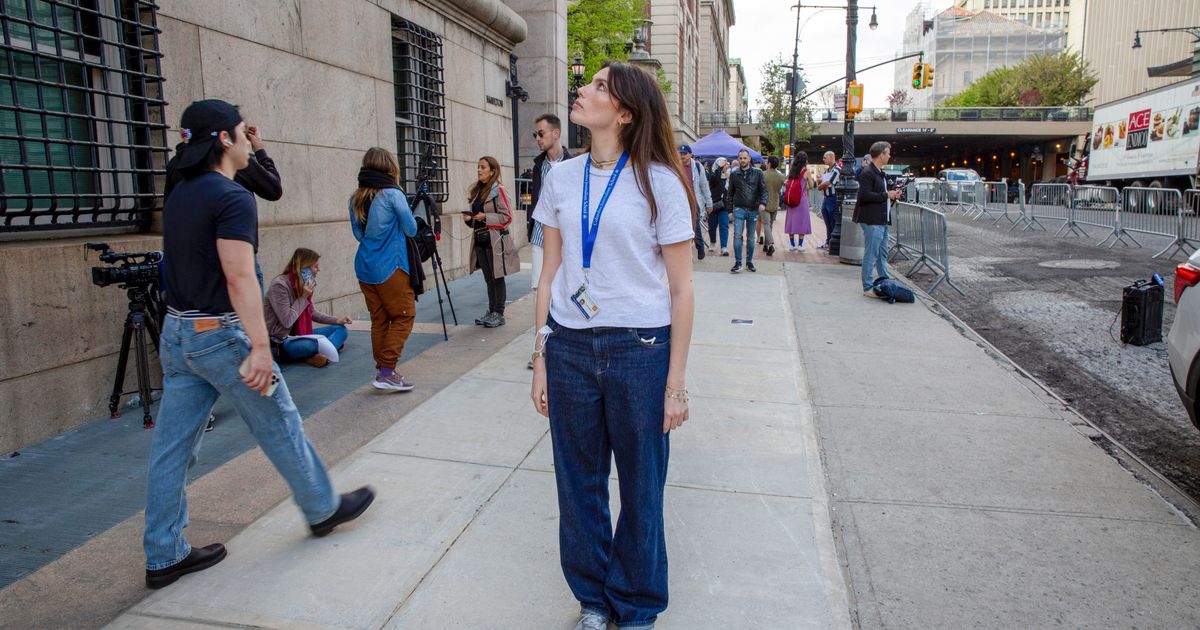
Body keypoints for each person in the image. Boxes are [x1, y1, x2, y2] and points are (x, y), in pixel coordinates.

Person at [145, 99, 374, 590]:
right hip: (220, 336)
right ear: (225, 140)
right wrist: (260, 347)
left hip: (178, 335)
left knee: (172, 449)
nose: (251, 140)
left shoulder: (181, 189)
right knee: (280, 423)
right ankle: (322, 508)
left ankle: (163, 553)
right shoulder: (230, 198)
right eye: (243, 134)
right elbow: (238, 275)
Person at [530, 61, 696, 630]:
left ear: (623, 112)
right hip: (570, 349)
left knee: (642, 486)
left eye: (598, 86)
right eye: (589, 82)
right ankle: (594, 600)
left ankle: (638, 604)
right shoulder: (561, 177)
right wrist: (540, 358)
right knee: (578, 484)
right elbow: (548, 274)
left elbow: (682, 289)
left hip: (641, 349)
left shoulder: (661, 182)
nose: (583, 89)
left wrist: (676, 384)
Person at [350, 147, 419, 392]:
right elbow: (411, 229)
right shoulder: (392, 194)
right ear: (390, 166)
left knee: (379, 319)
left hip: (365, 266)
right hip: (391, 265)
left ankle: (383, 370)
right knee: (404, 315)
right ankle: (387, 371)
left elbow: (358, 234)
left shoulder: (356, 197)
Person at [263, 248, 352, 368]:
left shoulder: (302, 284)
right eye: (315, 266)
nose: (318, 270)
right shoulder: (279, 285)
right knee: (311, 345)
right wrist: (303, 297)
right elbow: (287, 321)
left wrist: (337, 320)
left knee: (341, 330)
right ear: (304, 268)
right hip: (281, 341)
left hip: (301, 335)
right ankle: (316, 353)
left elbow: (312, 313)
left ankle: (313, 356)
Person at [464, 155, 520, 328]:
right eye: (478, 167)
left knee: (497, 278)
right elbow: (477, 220)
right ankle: (491, 310)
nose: (479, 170)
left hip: (495, 241)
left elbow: (507, 217)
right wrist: (469, 219)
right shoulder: (478, 191)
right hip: (480, 240)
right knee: (488, 278)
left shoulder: (499, 190)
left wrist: (485, 217)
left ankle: (499, 313)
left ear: (492, 171)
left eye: (483, 167)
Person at [529, 114, 573, 292]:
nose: (538, 139)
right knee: (539, 290)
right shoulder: (538, 166)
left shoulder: (573, 164)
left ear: (556, 133)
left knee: (565, 290)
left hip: (566, 239)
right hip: (540, 237)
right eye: (535, 135)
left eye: (541, 133)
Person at [855, 141, 902, 295]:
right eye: (888, 153)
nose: (889, 156)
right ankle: (868, 285)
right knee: (872, 253)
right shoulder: (868, 172)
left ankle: (884, 279)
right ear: (881, 155)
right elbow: (864, 195)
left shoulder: (878, 172)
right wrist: (886, 195)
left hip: (880, 219)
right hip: (872, 219)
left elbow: (876, 195)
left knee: (881, 252)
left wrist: (892, 196)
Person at [726, 148, 766, 273]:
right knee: (737, 236)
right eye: (741, 158)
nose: (743, 160)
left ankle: (749, 261)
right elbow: (730, 194)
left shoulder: (758, 173)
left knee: (750, 238)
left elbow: (763, 190)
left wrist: (763, 203)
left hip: (753, 209)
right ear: (738, 159)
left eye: (745, 158)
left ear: (749, 159)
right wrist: (730, 211)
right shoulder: (734, 174)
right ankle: (738, 262)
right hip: (738, 209)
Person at [678, 144, 712, 260]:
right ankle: (685, 251)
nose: (682, 156)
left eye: (684, 153)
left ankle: (700, 246)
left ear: (690, 154)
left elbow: (704, 186)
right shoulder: (676, 166)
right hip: (680, 202)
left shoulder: (697, 166)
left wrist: (709, 202)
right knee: (682, 227)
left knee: (695, 226)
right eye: (681, 153)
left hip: (694, 201)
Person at [782, 152, 812, 251]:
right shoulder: (806, 172)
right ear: (805, 161)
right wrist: (806, 185)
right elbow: (811, 186)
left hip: (792, 200)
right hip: (802, 200)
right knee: (802, 222)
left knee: (791, 221)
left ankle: (792, 245)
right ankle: (800, 245)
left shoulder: (791, 171)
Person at [816, 151, 840, 249]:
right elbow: (823, 184)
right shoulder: (827, 171)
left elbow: (828, 183)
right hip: (826, 198)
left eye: (825, 157)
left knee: (832, 220)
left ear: (831, 157)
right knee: (827, 220)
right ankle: (828, 241)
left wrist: (820, 186)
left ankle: (832, 242)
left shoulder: (837, 169)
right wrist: (821, 185)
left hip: (833, 198)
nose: (823, 159)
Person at [707, 158, 731, 255]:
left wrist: (726, 172)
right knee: (712, 225)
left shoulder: (729, 175)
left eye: (726, 164)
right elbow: (714, 179)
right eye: (723, 164)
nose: (725, 166)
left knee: (724, 225)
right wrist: (719, 168)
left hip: (724, 205)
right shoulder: (714, 174)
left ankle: (724, 247)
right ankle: (713, 242)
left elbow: (732, 186)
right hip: (713, 204)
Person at [761, 155, 785, 255]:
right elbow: (781, 190)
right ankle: (766, 245)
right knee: (770, 225)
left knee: (766, 225)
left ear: (769, 164)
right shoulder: (781, 176)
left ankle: (770, 245)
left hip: (764, 203)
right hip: (775, 202)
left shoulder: (763, 174)